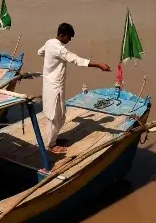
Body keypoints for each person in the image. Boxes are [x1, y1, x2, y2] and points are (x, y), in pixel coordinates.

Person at [38, 22, 110, 154]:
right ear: (61, 35)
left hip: (48, 85)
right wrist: (98, 65)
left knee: (57, 115)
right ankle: (51, 145)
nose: (69, 40)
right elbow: (76, 60)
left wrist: (50, 58)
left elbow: (40, 52)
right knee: (56, 116)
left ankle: (53, 139)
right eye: (68, 37)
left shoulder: (49, 43)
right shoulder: (60, 49)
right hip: (55, 88)